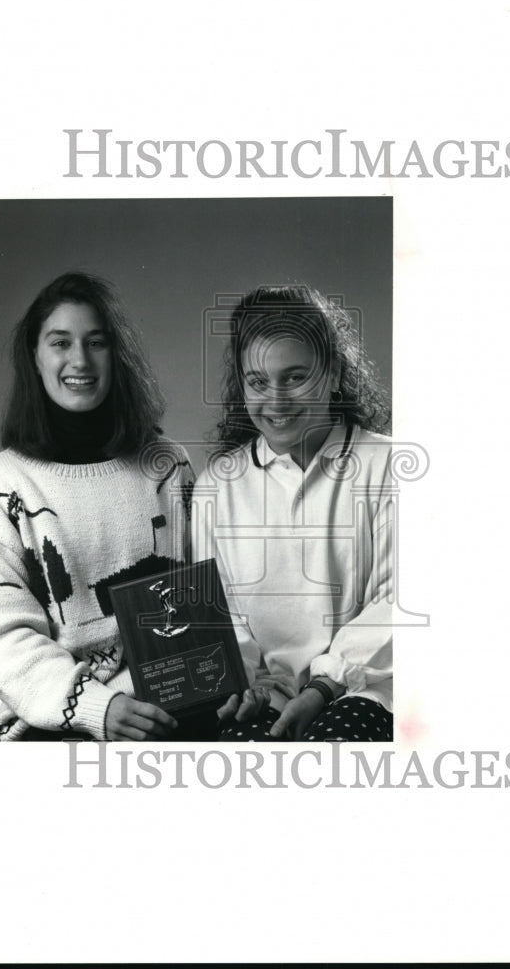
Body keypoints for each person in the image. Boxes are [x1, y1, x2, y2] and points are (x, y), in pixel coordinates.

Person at [0, 271, 194, 741]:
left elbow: (202, 594)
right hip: (60, 720)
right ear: (35, 356)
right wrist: (97, 707)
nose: (80, 360)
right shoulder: (1, 487)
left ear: (117, 354)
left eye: (97, 342)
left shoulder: (166, 464)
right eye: (60, 343)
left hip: (176, 702)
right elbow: (1, 631)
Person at [191, 284, 395, 742]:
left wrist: (325, 685)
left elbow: (394, 603)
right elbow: (222, 618)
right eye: (258, 381)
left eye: (295, 376)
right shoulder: (217, 486)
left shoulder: (387, 466)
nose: (276, 400)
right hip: (269, 697)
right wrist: (242, 687)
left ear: (335, 373)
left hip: (370, 689)